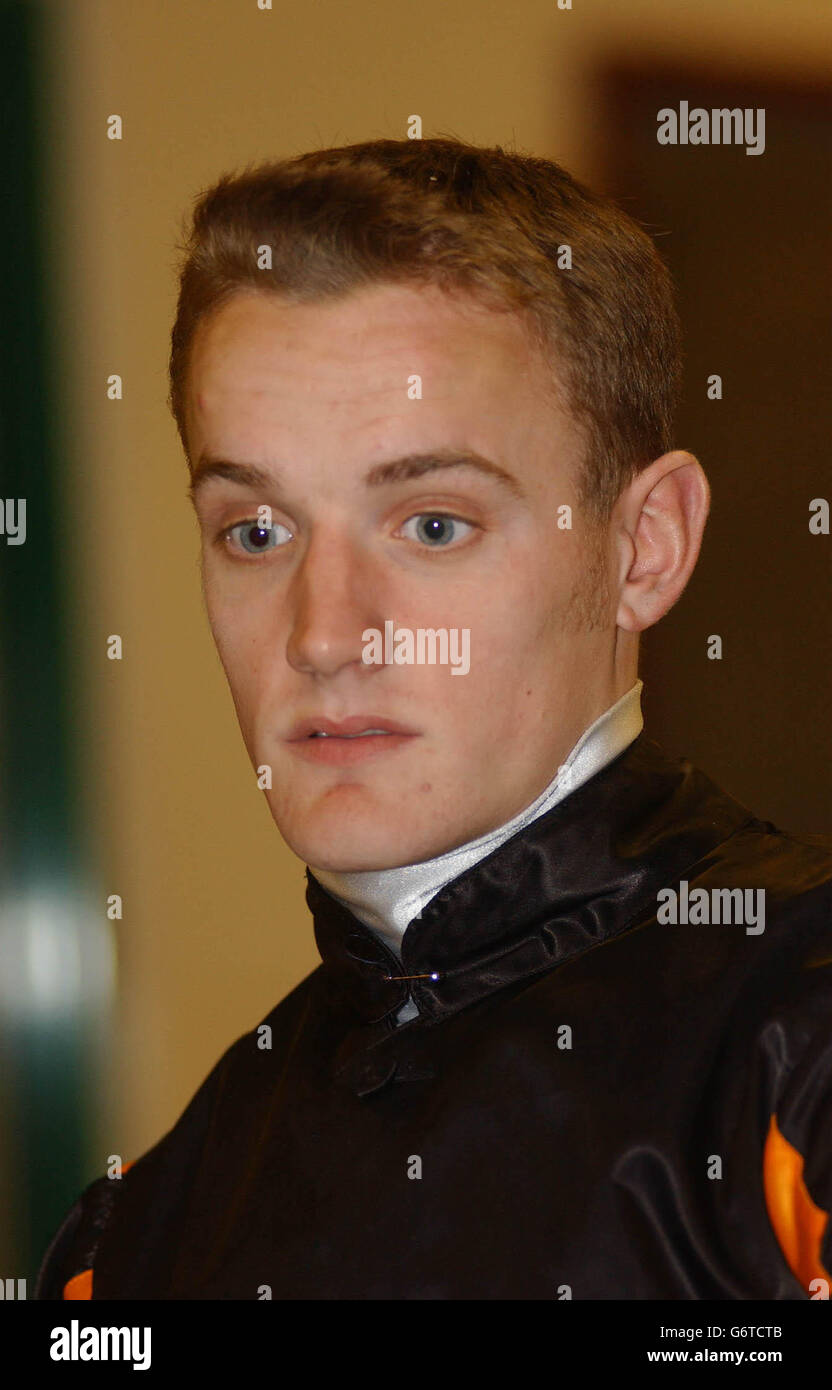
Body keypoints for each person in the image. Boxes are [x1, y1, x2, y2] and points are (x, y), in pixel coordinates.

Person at [35, 136, 832, 1300]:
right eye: (257, 532)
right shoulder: (144, 1230)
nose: (323, 633)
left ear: (642, 546)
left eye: (432, 523)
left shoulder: (791, 1056)